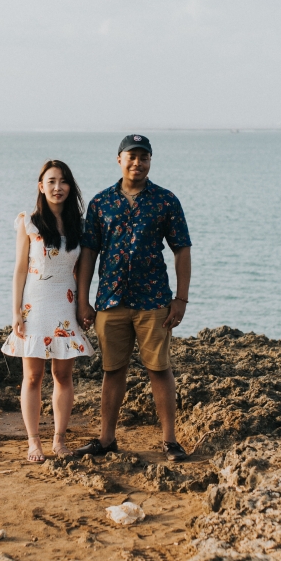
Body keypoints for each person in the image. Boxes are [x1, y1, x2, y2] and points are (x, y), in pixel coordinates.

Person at [74, 134, 193, 462]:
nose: (137, 163)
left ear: (150, 161)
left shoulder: (166, 201)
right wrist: (83, 302)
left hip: (154, 300)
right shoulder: (101, 203)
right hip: (110, 301)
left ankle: (170, 441)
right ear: (119, 159)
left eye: (144, 157)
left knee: (159, 369)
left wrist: (180, 300)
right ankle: (107, 439)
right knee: (113, 370)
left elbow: (181, 249)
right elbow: (88, 254)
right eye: (132, 156)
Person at [2, 160, 95, 462]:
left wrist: (84, 305)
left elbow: (82, 271)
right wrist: (15, 311)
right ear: (41, 186)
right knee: (32, 376)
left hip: (65, 305)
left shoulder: (78, 225)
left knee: (63, 375)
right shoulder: (28, 221)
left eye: (63, 181)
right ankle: (33, 442)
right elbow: (19, 269)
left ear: (71, 186)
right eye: (51, 181)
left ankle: (59, 439)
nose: (58, 187)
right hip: (35, 306)